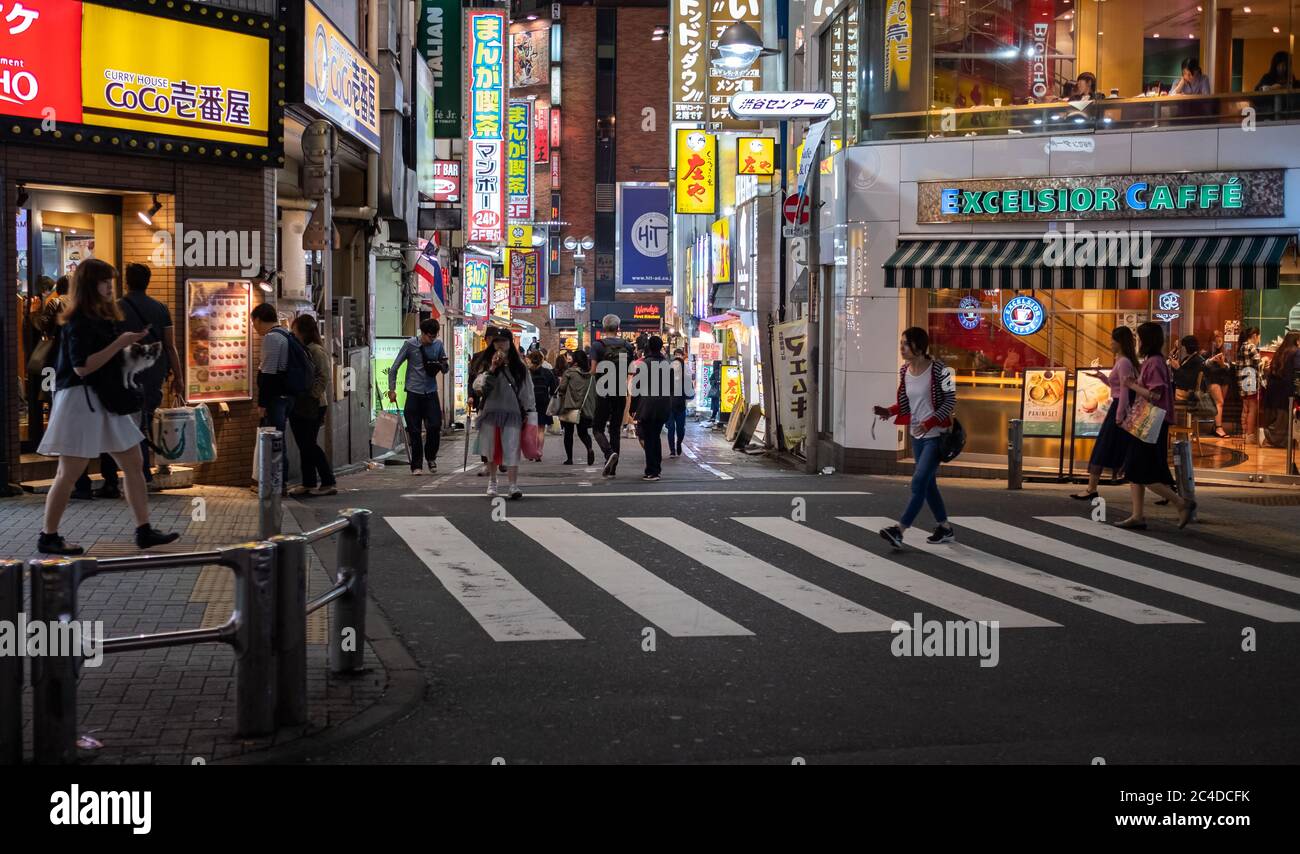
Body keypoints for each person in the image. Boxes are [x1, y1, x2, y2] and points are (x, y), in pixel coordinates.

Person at [36, 259, 179, 555]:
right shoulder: (78, 320)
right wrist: (121, 343)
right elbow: (82, 368)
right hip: (81, 400)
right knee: (70, 471)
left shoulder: (101, 316)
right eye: (104, 281)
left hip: (101, 400)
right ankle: (48, 535)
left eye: (111, 281)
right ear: (90, 284)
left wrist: (129, 347)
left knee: (133, 462)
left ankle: (143, 529)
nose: (110, 287)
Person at [75, 263, 184, 499]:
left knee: (118, 423)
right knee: (141, 422)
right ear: (148, 281)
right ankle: (141, 474)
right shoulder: (160, 308)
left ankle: (114, 480)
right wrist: (179, 377)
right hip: (153, 373)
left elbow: (106, 346)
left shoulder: (115, 308)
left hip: (123, 376)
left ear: (126, 282)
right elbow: (170, 345)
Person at [874, 327, 957, 548]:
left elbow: (951, 401)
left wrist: (929, 423)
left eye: (906, 343)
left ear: (919, 346)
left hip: (936, 436)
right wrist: (889, 411)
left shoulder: (944, 370)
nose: (902, 348)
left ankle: (899, 530)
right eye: (901, 343)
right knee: (928, 485)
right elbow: (906, 403)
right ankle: (945, 528)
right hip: (917, 436)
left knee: (919, 482)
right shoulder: (904, 371)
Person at [1117, 322, 1197, 530]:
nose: (1138, 342)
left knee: (1143, 470)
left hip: (1150, 422)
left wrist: (1132, 385)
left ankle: (1181, 503)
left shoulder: (1154, 363)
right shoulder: (1156, 361)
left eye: (1140, 338)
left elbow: (1156, 394)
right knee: (1135, 469)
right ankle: (1137, 514)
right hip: (1149, 422)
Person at [1071, 327, 1137, 501]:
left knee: (1104, 446)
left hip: (1118, 408)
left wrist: (1119, 414)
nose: (1110, 343)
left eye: (1112, 340)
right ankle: (1092, 487)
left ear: (1119, 342)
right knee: (1113, 447)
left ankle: (1092, 488)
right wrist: (1101, 377)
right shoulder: (1122, 360)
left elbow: (1124, 390)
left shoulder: (1123, 362)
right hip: (1118, 407)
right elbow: (1117, 387)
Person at [470, 327, 535, 498]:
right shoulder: (485, 362)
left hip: (512, 411)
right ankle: (493, 482)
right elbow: (478, 387)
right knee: (491, 447)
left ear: (510, 343)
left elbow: (526, 389)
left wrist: (528, 409)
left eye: (504, 341)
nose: (500, 344)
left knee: (512, 446)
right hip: (490, 411)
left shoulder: (519, 365)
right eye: (497, 341)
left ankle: (513, 485)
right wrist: (492, 367)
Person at [388, 317, 447, 474]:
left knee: (435, 426)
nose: (432, 339)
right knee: (414, 430)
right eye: (430, 336)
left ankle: (431, 457)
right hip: (414, 392)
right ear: (422, 333)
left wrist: (442, 365)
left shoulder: (438, 345)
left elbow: (445, 367)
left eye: (435, 336)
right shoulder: (410, 345)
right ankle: (416, 466)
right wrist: (391, 389)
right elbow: (394, 367)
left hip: (431, 392)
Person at [287, 314, 336, 496]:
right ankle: (308, 482)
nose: (293, 333)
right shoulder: (304, 348)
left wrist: (311, 395)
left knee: (308, 444)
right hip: (304, 403)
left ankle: (328, 481)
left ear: (303, 331)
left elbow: (324, 376)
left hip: (313, 404)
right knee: (304, 444)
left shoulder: (315, 350)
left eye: (295, 330)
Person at [251, 301, 292, 490]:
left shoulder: (271, 339)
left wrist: (262, 403)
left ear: (259, 320)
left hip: (276, 399)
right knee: (279, 438)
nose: (254, 328)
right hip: (287, 397)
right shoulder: (285, 334)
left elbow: (268, 374)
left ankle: (276, 482)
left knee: (274, 439)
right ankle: (278, 481)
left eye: (254, 323)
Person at [589, 314, 632, 477]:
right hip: (620, 391)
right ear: (618, 328)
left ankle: (608, 453)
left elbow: (593, 371)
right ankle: (613, 469)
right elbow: (630, 370)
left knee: (597, 427)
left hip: (603, 391)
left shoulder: (598, 346)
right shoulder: (627, 345)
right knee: (615, 429)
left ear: (603, 328)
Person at [630, 336, 672, 481]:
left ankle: (651, 470)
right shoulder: (666, 364)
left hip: (647, 405)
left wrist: (632, 408)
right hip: (662, 406)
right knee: (656, 436)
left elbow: (636, 388)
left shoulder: (644, 364)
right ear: (661, 347)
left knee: (648, 438)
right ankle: (656, 469)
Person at [556, 349, 596, 466]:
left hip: (570, 406)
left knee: (568, 433)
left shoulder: (569, 372)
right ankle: (589, 448)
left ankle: (569, 459)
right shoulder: (590, 375)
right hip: (584, 407)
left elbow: (562, 388)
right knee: (583, 432)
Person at [1262, 332, 1300, 448]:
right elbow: (1298, 370)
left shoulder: (1280, 351)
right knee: (1284, 418)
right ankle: (1278, 441)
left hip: (1273, 389)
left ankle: (1274, 439)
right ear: (1297, 341)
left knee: (1278, 417)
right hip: (1286, 389)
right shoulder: (1296, 352)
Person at [1235, 327, 1263, 443]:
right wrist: (1265, 359)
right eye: (1259, 336)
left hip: (1243, 380)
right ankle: (1250, 435)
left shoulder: (1242, 346)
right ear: (1255, 335)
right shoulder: (1251, 346)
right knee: (1252, 408)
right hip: (1250, 379)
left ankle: (1244, 433)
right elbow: (1259, 363)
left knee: (1245, 408)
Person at [527, 350, 556, 459]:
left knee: (531, 429)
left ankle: (531, 451)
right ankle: (539, 452)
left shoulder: (527, 373)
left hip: (530, 403)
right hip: (544, 402)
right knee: (540, 429)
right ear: (542, 360)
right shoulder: (547, 372)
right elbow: (554, 389)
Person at [1202, 332, 1232, 438]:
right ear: (1212, 341)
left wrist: (1223, 364)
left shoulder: (1226, 353)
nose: (1218, 343)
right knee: (1219, 402)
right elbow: (1203, 366)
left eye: (1220, 341)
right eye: (1216, 341)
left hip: (1224, 379)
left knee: (1219, 404)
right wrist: (1211, 360)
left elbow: (1229, 367)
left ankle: (1215, 427)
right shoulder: (1206, 353)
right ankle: (1219, 428)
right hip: (1212, 378)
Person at [666, 348, 695, 457]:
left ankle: (678, 444)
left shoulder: (685, 370)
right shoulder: (672, 368)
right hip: (673, 403)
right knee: (673, 428)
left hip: (678, 403)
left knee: (679, 428)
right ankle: (672, 450)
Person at [1170, 334, 1205, 403]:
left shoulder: (1197, 360)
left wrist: (1178, 368)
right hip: (1180, 387)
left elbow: (1190, 380)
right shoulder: (1187, 358)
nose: (1181, 349)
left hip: (1188, 391)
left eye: (1183, 346)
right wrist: (1174, 366)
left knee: (1163, 393)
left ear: (1188, 347)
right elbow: (1179, 375)